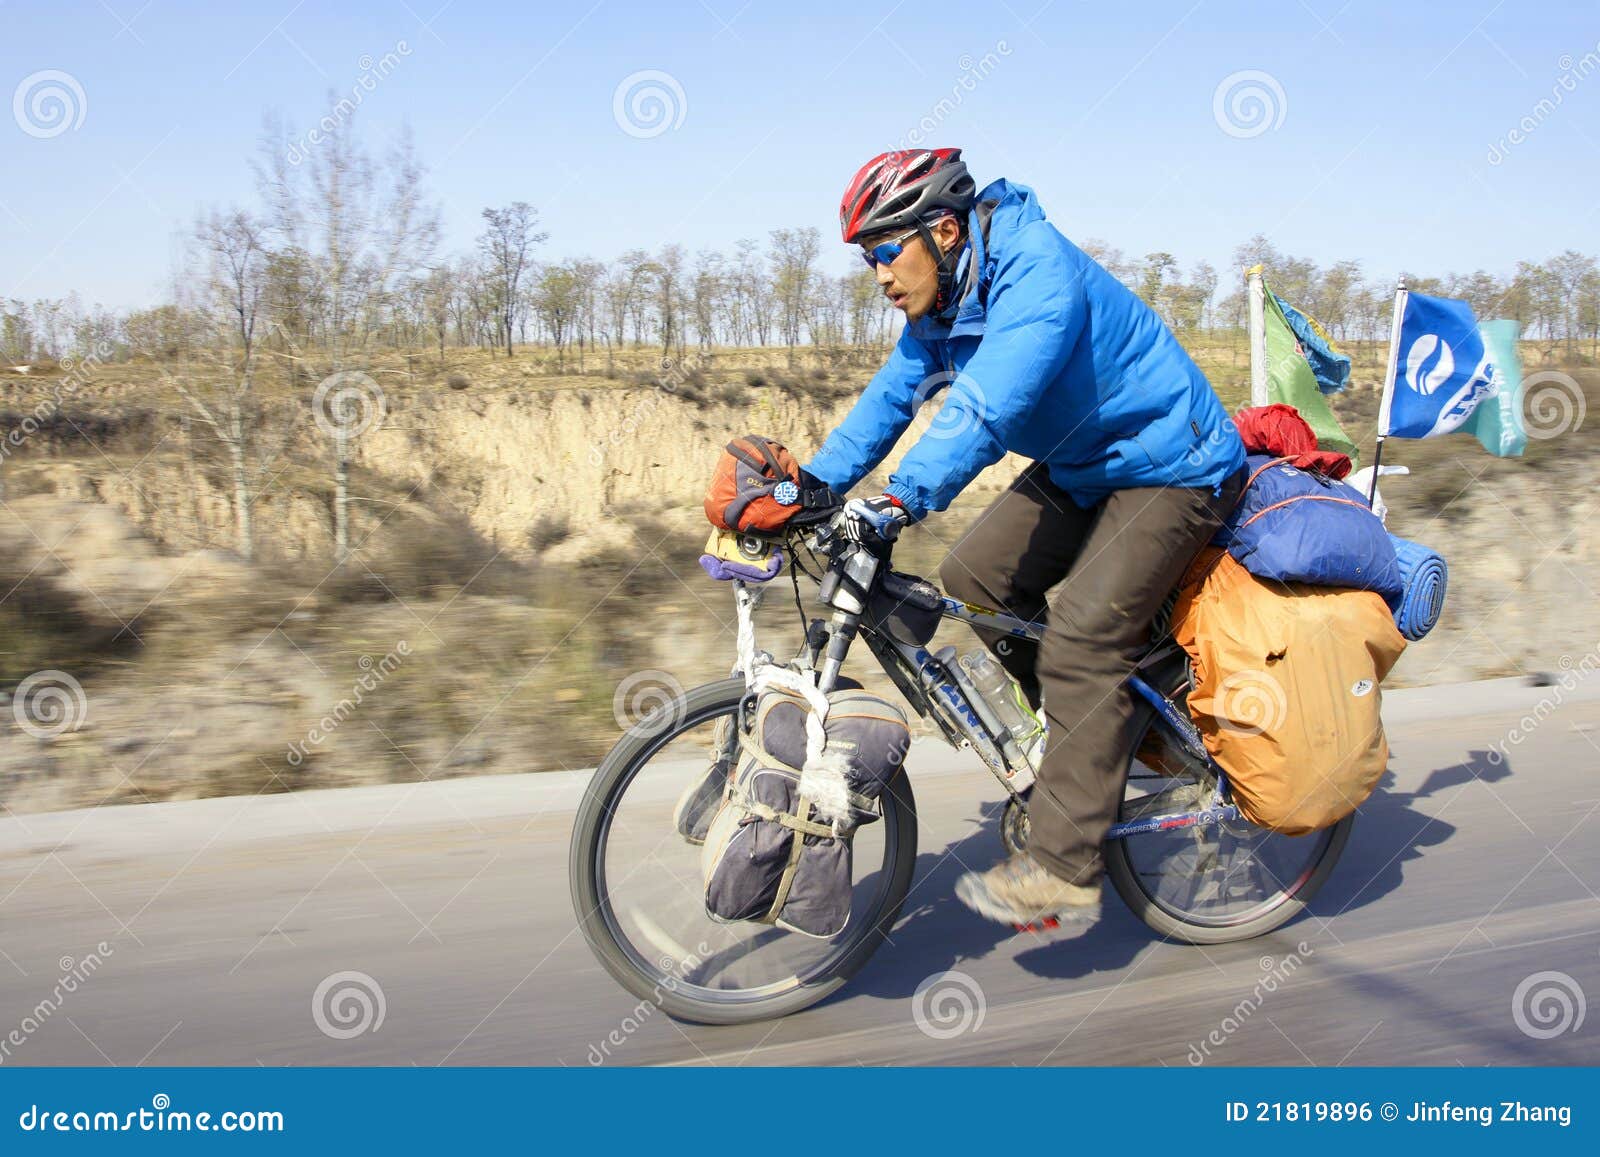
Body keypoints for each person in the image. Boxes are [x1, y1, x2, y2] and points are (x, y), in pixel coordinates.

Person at [801, 147, 1247, 929]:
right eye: (868, 259)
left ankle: (1065, 864)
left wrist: (899, 500)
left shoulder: (1035, 269)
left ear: (943, 231)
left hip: (1174, 464)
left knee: (1081, 636)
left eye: (885, 250)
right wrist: (807, 489)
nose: (878, 273)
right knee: (973, 576)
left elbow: (988, 406)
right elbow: (891, 400)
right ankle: (1083, 739)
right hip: (1088, 464)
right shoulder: (943, 306)